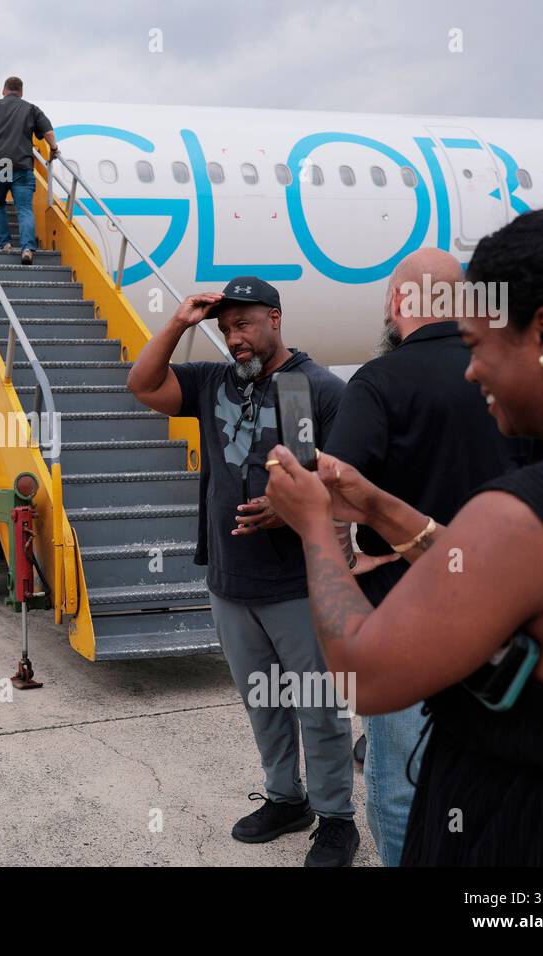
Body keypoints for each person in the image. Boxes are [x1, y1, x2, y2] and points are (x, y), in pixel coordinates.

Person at [263, 201, 543, 865]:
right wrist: (385, 509)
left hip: (523, 840)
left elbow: (367, 676)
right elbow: (525, 585)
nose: (471, 372)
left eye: (478, 346)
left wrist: (313, 528)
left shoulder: (519, 516)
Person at [127, 277, 360, 866]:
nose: (236, 338)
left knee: (319, 706)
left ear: (275, 319)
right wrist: (180, 323)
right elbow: (143, 384)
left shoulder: (311, 388)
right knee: (263, 700)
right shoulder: (212, 383)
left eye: (246, 324)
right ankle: (287, 798)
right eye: (227, 328)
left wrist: (290, 511)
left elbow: (344, 488)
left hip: (296, 583)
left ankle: (336, 819)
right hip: (230, 581)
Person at [322, 248, 524, 866]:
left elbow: (334, 487)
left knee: (401, 786)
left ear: (401, 303)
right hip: (507, 617)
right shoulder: (511, 377)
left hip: (408, 624)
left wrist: (355, 558)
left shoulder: (379, 382)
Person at [0, 75, 60, 264]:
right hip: (21, 166)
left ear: (4, 91)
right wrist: (54, 149)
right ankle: (28, 248)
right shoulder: (31, 109)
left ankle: (5, 243)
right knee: (24, 209)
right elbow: (48, 132)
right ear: (21, 93)